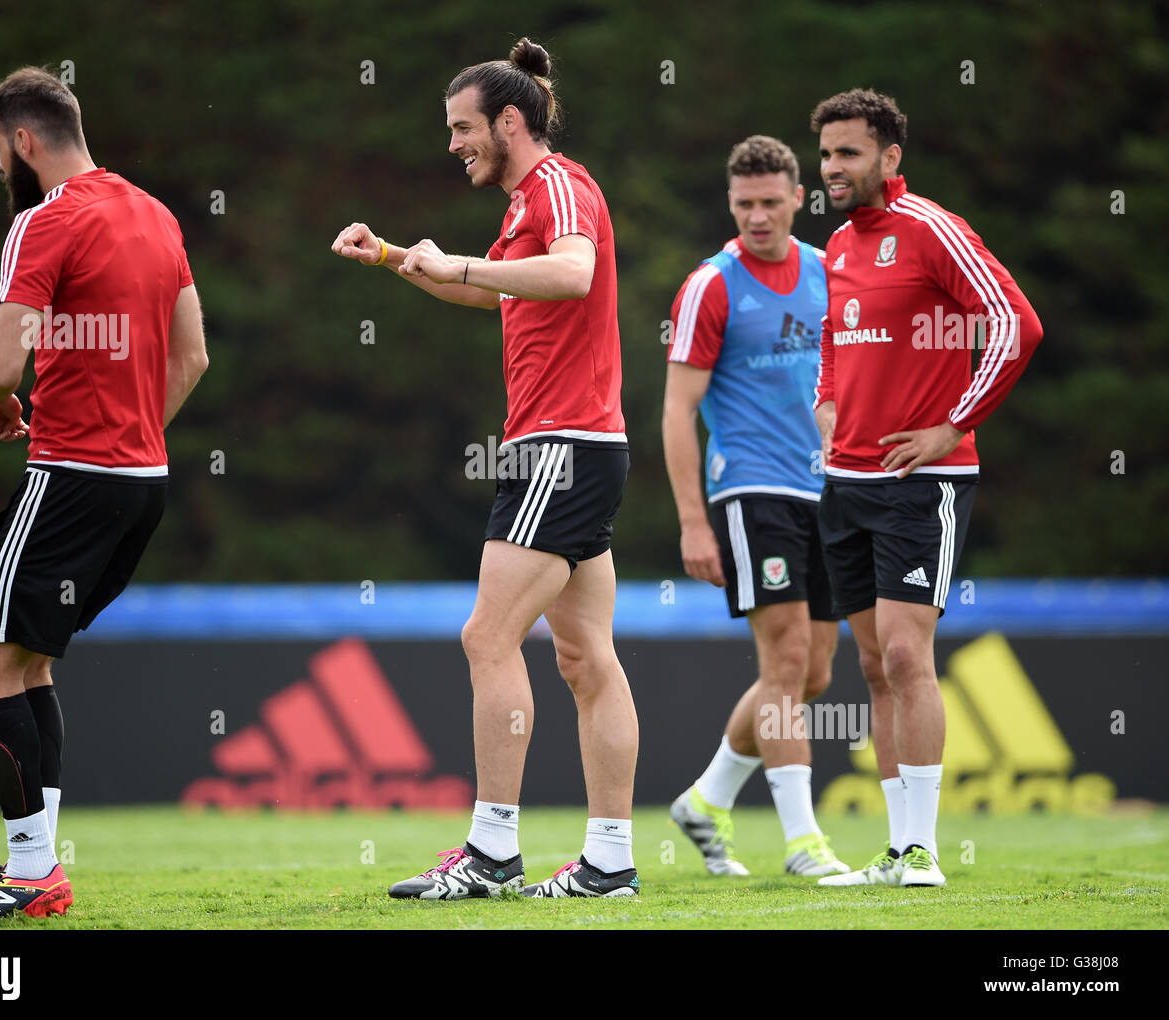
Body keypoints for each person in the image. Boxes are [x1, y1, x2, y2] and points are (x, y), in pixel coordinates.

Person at [331, 38, 639, 899]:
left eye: (464, 128)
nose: (455, 144)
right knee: (585, 659)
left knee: (487, 636)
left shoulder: (558, 184)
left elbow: (573, 275)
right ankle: (609, 861)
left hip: (562, 447)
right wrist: (399, 259)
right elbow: (497, 289)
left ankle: (492, 851)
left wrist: (459, 261)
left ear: (511, 121)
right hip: (578, 447)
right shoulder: (527, 199)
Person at [0, 67, 208, 919]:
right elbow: (193, 358)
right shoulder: (157, 214)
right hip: (143, 482)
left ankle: (30, 872)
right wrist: (136, 433)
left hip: (70, 474)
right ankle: (40, 869)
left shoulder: (43, 221)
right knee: (28, 663)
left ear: (26, 141)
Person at [809, 89, 1042, 887]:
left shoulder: (933, 230)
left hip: (922, 479)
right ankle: (895, 845)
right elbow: (837, 346)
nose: (833, 167)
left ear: (890, 157)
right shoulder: (838, 244)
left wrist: (954, 424)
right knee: (873, 668)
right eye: (828, 153)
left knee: (909, 653)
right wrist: (825, 407)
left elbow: (1016, 324)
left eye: (849, 152)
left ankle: (923, 851)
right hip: (844, 481)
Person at [662, 136, 849, 879]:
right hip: (751, 487)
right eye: (744, 204)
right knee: (786, 660)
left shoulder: (828, 271)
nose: (758, 216)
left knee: (815, 677)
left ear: (798, 198)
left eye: (771, 202)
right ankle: (804, 843)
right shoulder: (711, 285)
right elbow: (678, 411)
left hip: (828, 489)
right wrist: (692, 520)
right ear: (730, 203)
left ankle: (706, 800)